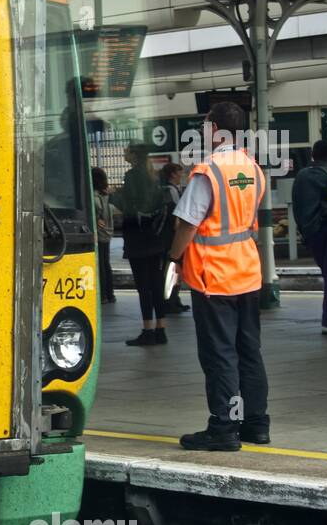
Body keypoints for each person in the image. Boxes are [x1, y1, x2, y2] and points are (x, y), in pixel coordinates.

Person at [166, 101, 270, 451]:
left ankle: (224, 427)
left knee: (220, 354)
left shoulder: (207, 171)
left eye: (204, 124)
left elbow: (187, 224)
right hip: (247, 273)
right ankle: (256, 424)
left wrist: (174, 257)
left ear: (214, 129)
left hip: (214, 277)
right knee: (249, 350)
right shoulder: (252, 168)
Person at [111, 143, 170, 344]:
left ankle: (147, 330)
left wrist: (113, 195)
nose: (124, 153)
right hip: (155, 237)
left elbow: (128, 205)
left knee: (143, 286)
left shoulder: (132, 176)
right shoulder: (154, 175)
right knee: (156, 284)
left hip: (138, 237)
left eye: (127, 151)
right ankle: (161, 329)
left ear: (134, 155)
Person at [291, 140, 327, 334]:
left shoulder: (301, 177)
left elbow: (297, 206)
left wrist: (302, 228)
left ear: (312, 154)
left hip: (312, 231)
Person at [160, 162, 190, 313]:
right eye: (180, 173)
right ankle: (171, 301)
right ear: (172, 174)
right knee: (173, 268)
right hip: (171, 237)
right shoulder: (169, 190)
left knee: (175, 268)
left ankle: (174, 299)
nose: (182, 176)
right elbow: (175, 215)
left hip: (172, 236)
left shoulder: (173, 189)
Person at [92, 167, 116, 304]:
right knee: (106, 263)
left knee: (100, 264)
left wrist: (96, 220)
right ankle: (110, 293)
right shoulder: (106, 195)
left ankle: (103, 295)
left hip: (99, 233)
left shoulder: (95, 196)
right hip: (108, 232)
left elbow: (96, 213)